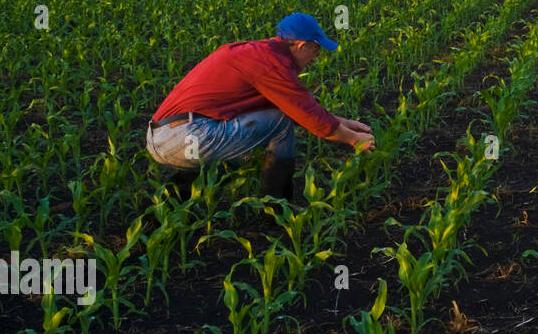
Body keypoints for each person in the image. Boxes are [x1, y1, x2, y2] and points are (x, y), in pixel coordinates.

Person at [146, 12, 375, 202]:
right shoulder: (272, 66)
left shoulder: (258, 54)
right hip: (184, 136)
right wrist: (354, 139)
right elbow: (309, 117)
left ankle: (165, 205)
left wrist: (347, 125)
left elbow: (300, 108)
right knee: (280, 122)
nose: (315, 57)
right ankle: (276, 207)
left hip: (168, 135)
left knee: (246, 147)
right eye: (316, 50)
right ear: (302, 45)